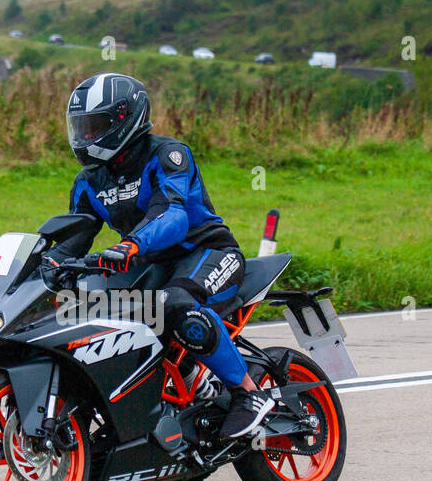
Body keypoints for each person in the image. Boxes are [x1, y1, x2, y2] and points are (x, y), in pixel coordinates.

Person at [43, 72, 273, 440]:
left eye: (96, 126)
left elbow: (173, 214)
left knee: (177, 303)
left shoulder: (168, 154)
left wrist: (131, 245)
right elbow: (77, 234)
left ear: (125, 119)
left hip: (207, 252)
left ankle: (248, 392)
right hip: (150, 265)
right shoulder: (88, 181)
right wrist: (49, 261)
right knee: (92, 310)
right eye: (81, 128)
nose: (86, 137)